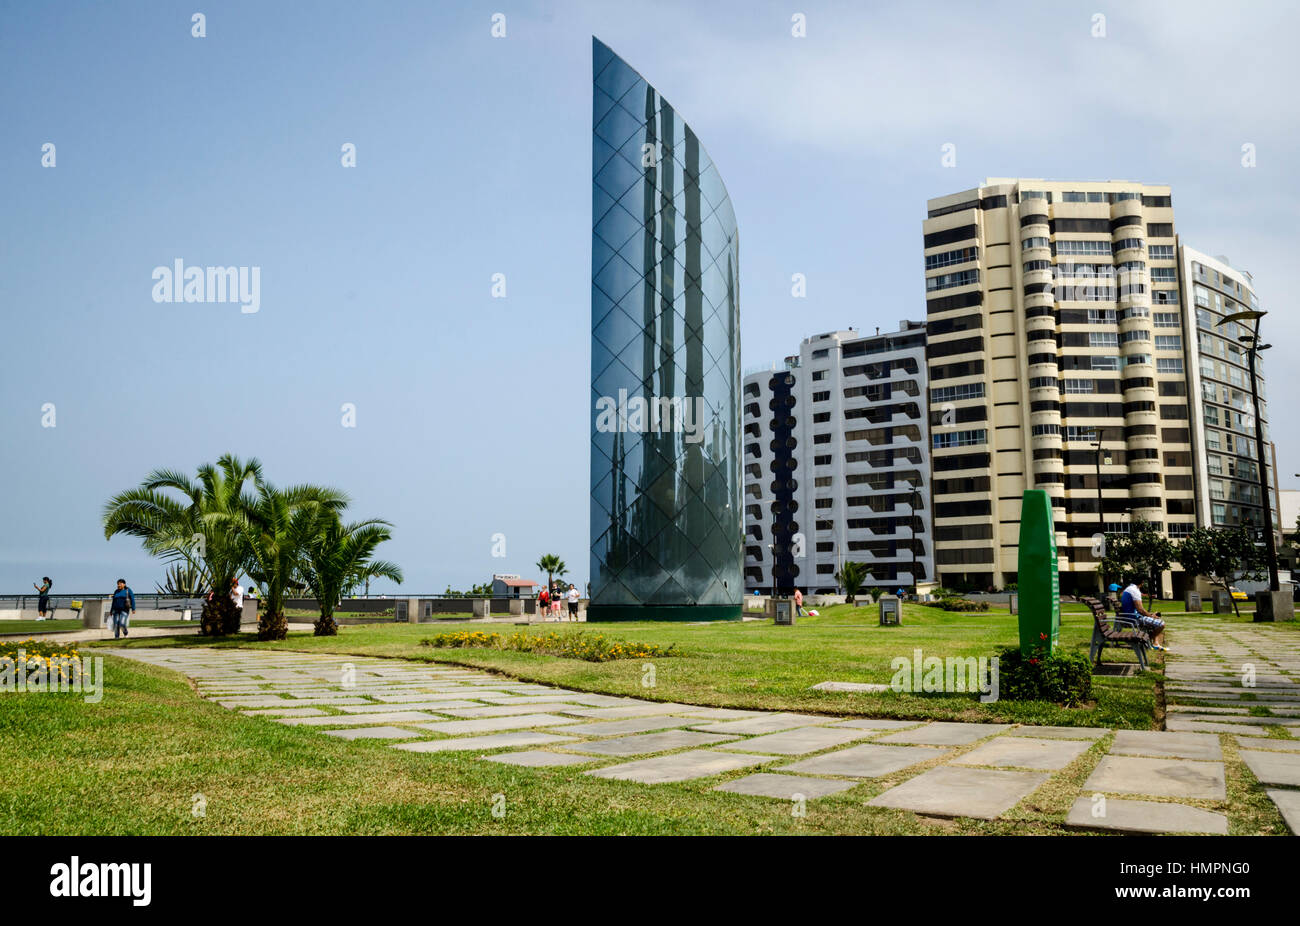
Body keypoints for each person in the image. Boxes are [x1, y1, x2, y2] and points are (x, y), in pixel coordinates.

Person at [1119, 578, 1167, 651]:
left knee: (1156, 620)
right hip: (1134, 619)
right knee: (1161, 624)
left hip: (1130, 616)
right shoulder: (1135, 591)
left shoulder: (1129, 589)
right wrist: (1151, 616)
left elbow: (1138, 610)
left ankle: (1155, 643)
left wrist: (1150, 615)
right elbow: (1140, 610)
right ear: (1142, 583)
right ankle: (1145, 641)